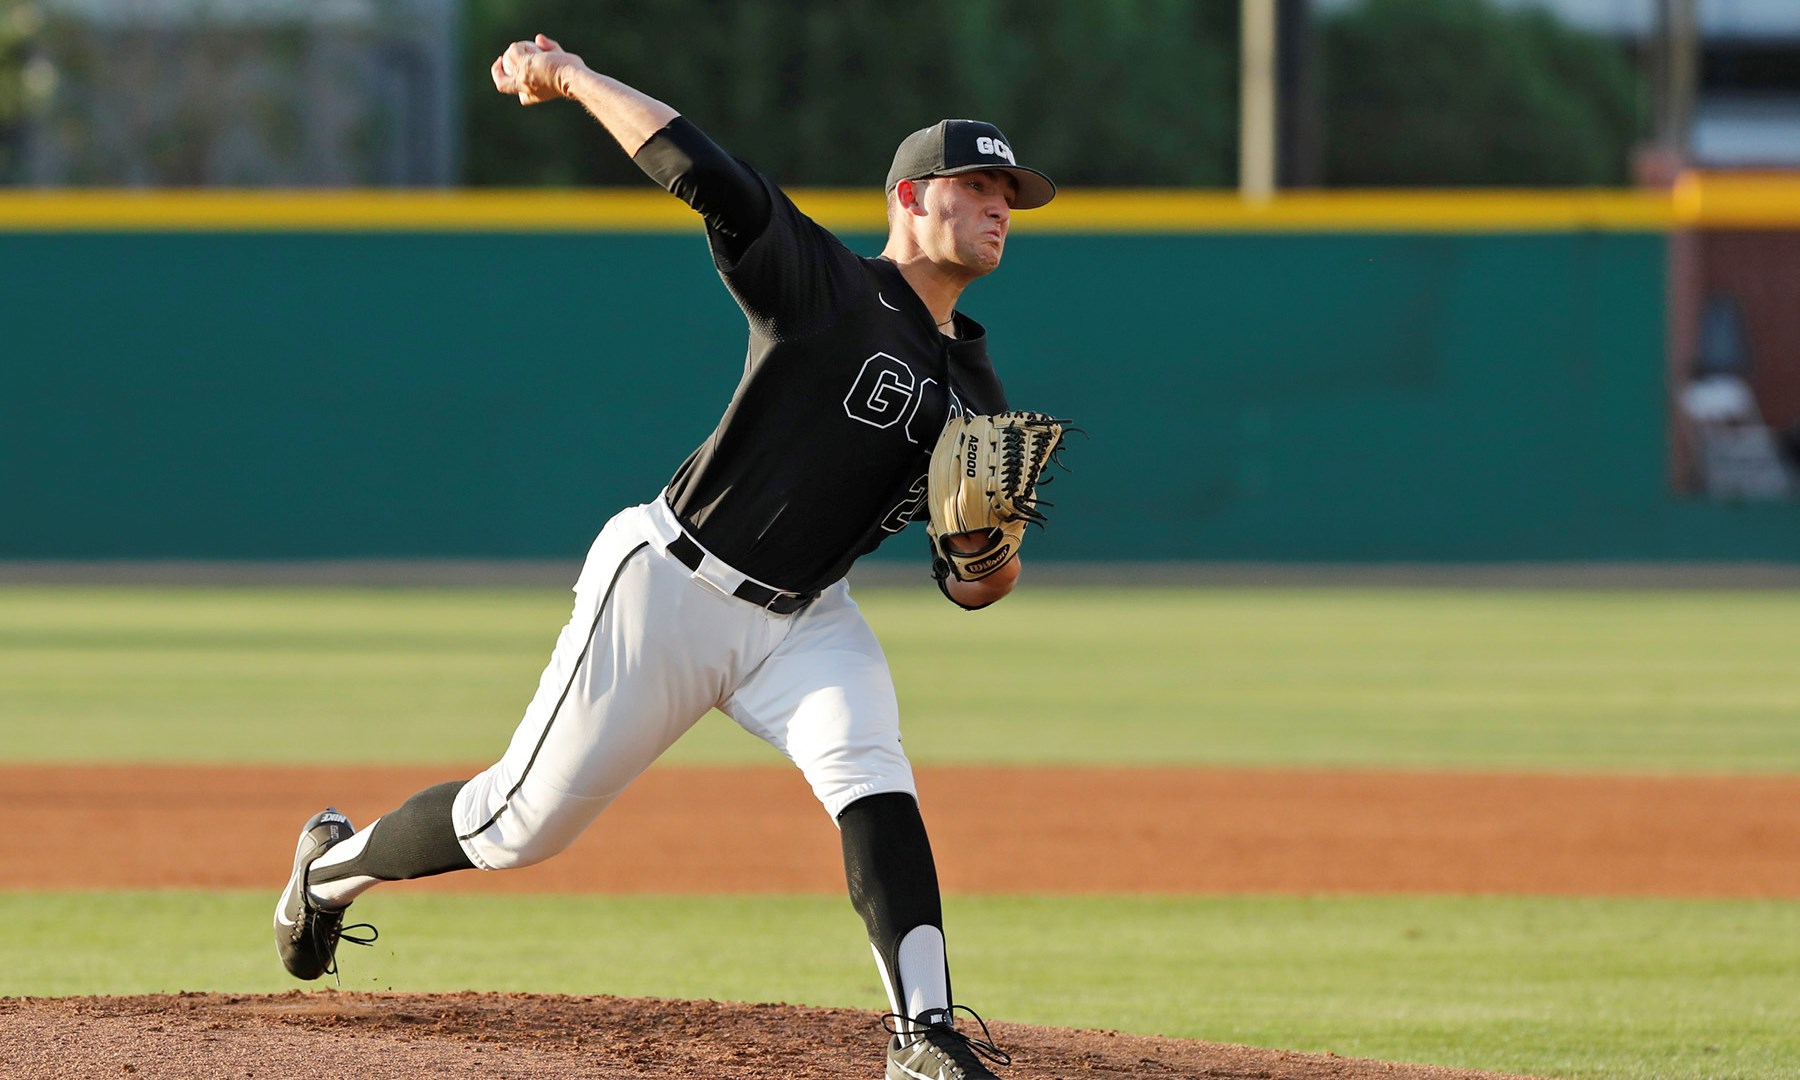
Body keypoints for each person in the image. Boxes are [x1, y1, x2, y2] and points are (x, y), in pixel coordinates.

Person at [274, 32, 1058, 1080]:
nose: (1000, 204)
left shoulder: (980, 390)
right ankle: (329, 872)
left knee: (873, 773)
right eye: (976, 183)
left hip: (806, 619)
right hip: (672, 583)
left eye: (1010, 191)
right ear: (912, 198)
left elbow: (981, 586)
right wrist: (575, 78)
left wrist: (978, 561)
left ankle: (925, 1037)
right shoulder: (826, 283)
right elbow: (707, 174)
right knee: (517, 825)